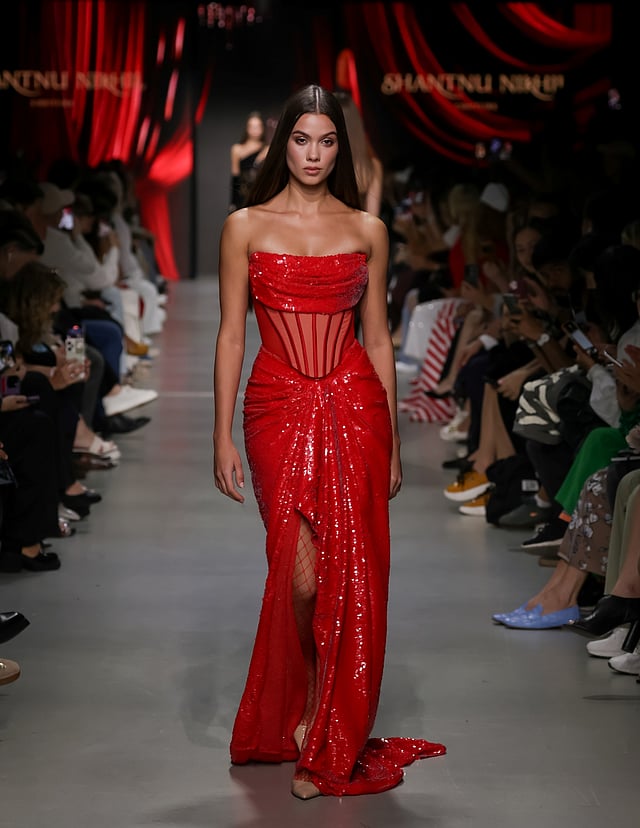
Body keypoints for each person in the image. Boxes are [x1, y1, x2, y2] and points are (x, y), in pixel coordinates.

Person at [212, 84, 445, 800]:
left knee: (347, 570)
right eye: (301, 139)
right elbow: (231, 333)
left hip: (354, 403)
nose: (313, 154)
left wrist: (395, 442)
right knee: (300, 575)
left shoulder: (367, 229)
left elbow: (377, 338)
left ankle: (321, 719)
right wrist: (219, 433)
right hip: (275, 405)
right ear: (281, 144)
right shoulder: (243, 226)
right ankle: (308, 694)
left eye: (326, 141)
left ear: (341, 148)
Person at [228, 111, 269, 213]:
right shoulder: (237, 149)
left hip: (261, 196)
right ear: (247, 128)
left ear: (262, 128)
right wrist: (233, 203)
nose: (255, 130)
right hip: (243, 196)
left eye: (258, 126)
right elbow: (235, 177)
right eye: (252, 126)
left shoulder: (268, 149)